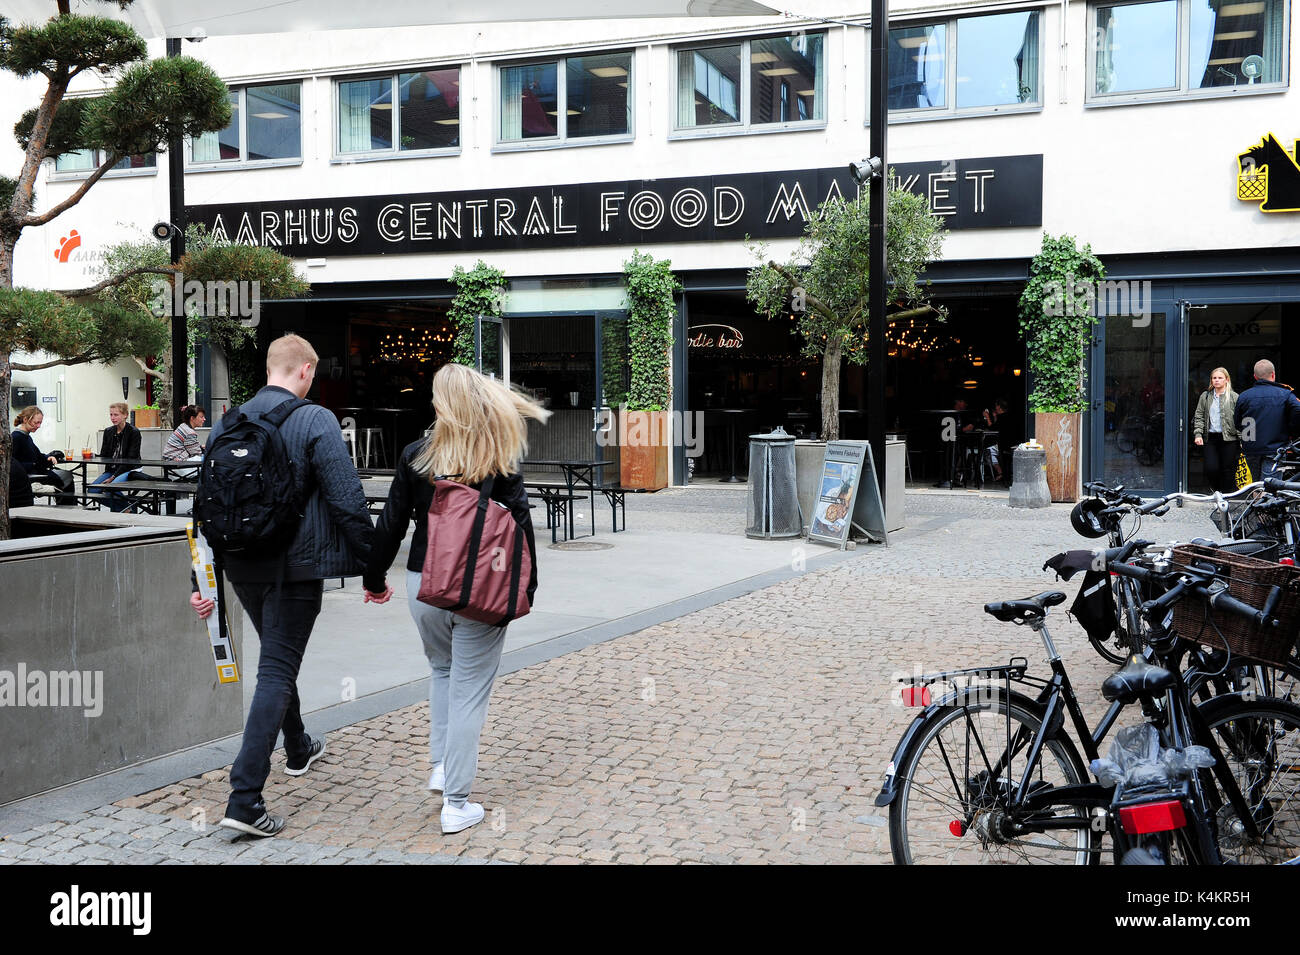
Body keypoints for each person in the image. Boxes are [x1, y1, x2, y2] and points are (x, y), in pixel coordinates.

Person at [190, 334, 375, 838]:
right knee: (275, 669)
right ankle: (245, 798)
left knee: (277, 656)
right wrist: (374, 566)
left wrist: (199, 578)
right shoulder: (315, 419)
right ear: (306, 370)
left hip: (240, 563)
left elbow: (203, 505)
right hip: (296, 567)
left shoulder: (227, 424)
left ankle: (298, 746)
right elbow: (348, 500)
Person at [362, 363, 547, 835]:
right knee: (469, 692)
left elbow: (392, 521)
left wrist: (374, 576)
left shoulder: (416, 455)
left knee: (442, 673)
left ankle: (442, 767)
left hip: (424, 583)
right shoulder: (499, 456)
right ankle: (456, 802)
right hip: (481, 588)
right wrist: (526, 587)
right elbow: (520, 527)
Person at [1235, 358, 1300, 482]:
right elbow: (1298, 409)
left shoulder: (1244, 396)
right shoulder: (1285, 394)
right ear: (1273, 374)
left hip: (1251, 446)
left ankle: (1256, 501)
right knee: (1271, 484)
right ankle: (1265, 500)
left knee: (1255, 483)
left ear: (1255, 376)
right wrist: (1290, 429)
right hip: (1275, 447)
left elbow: (1237, 423)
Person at [11, 406, 75, 504]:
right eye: (36, 422)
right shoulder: (17, 437)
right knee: (67, 477)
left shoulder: (25, 436)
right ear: (25, 419)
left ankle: (66, 506)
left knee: (66, 475)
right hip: (29, 476)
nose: (39, 426)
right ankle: (68, 508)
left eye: (40, 423)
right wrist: (33, 465)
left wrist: (48, 457)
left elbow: (37, 455)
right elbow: (13, 463)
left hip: (33, 472)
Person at [88, 401, 142, 512]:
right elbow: (105, 455)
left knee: (110, 488)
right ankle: (126, 508)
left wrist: (113, 477)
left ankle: (123, 509)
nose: (112, 418)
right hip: (112, 469)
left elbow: (131, 460)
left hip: (130, 468)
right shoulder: (108, 431)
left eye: (116, 415)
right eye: (111, 415)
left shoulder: (134, 432)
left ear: (125, 415)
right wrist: (93, 456)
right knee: (92, 491)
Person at [1192, 367, 1239, 493]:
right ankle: (1216, 491)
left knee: (1228, 469)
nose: (1217, 380)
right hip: (1211, 438)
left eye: (1220, 378)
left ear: (1226, 380)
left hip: (1230, 439)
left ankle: (1226, 497)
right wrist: (1198, 434)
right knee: (1211, 468)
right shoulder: (1206, 396)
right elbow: (1199, 416)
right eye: (1214, 378)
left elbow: (1240, 419)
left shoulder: (1234, 397)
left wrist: (1243, 440)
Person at [162, 404, 206, 479]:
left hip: (170, 465)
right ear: (192, 418)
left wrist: (201, 447)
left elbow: (189, 447)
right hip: (177, 467)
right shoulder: (189, 432)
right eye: (201, 417)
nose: (204, 419)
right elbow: (196, 453)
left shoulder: (183, 426)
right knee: (208, 459)